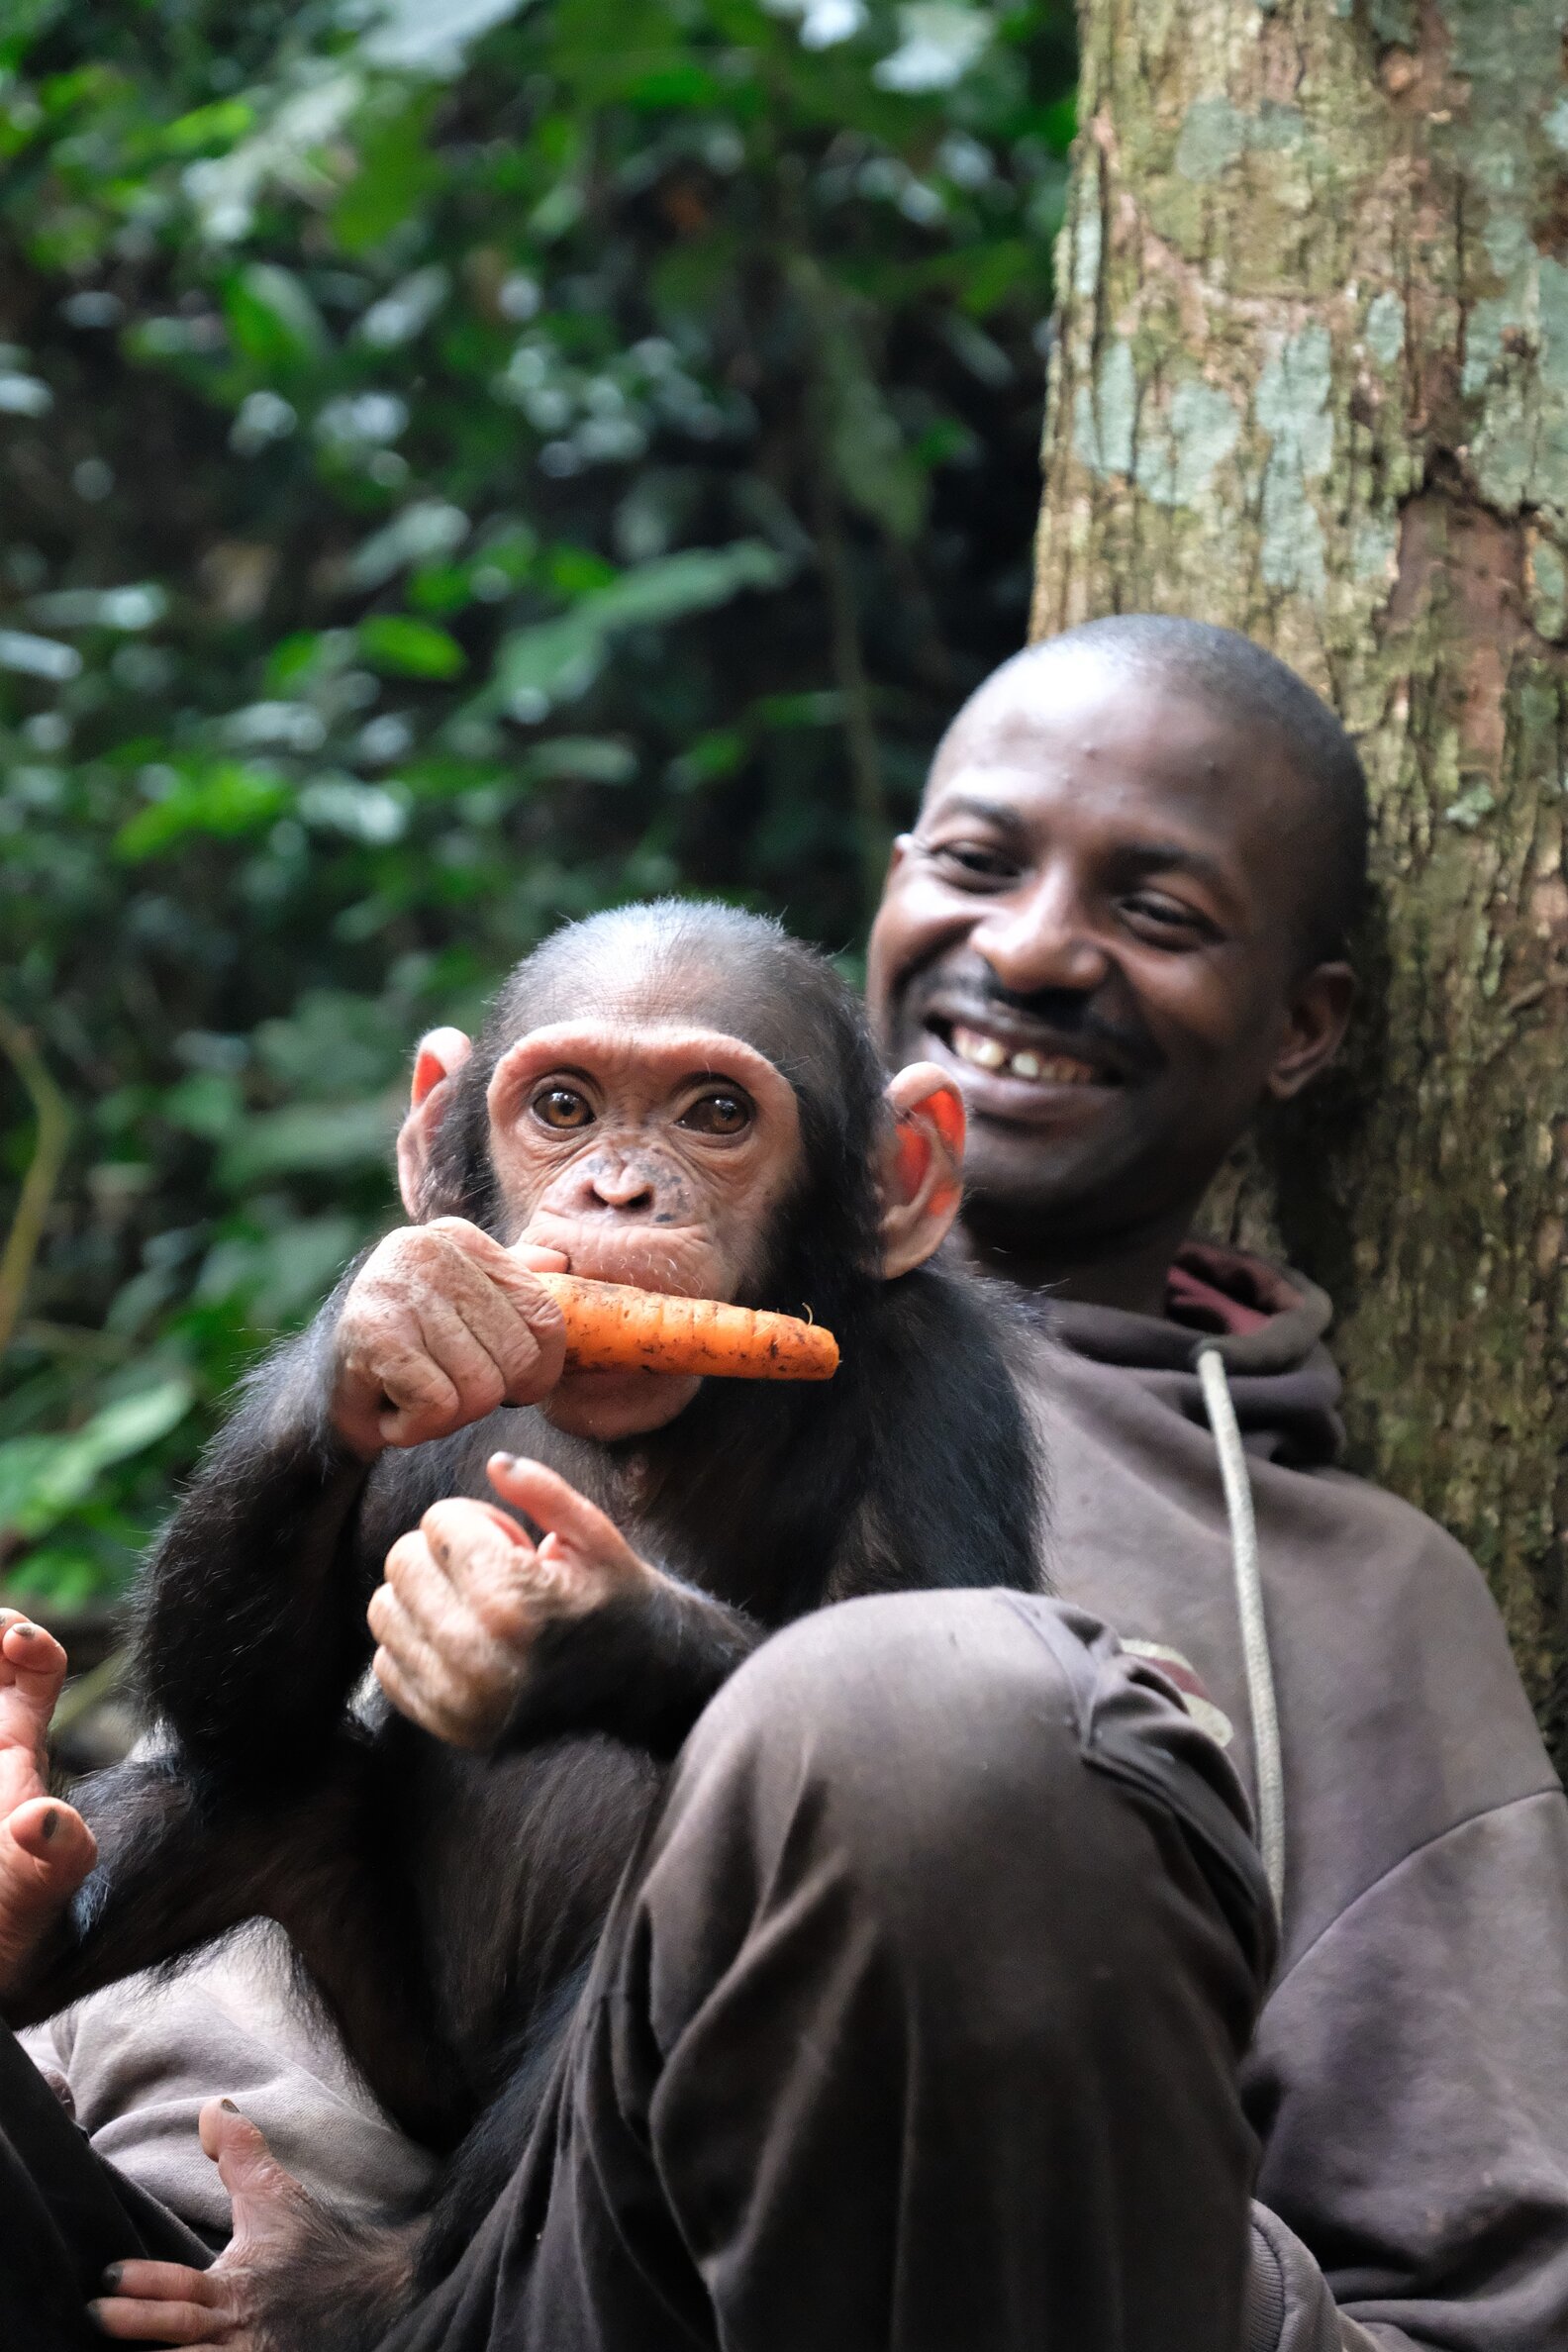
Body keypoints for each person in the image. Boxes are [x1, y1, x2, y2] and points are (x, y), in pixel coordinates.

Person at [865, 614, 1568, 2348]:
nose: (1031, 950)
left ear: (1300, 1029)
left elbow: (1483, 2307)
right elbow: (299, 1935)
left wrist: (1078, 2182)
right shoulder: (624, 1347)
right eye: (977, 864)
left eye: (1158, 914)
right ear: (892, 889)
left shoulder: (1365, 1609)